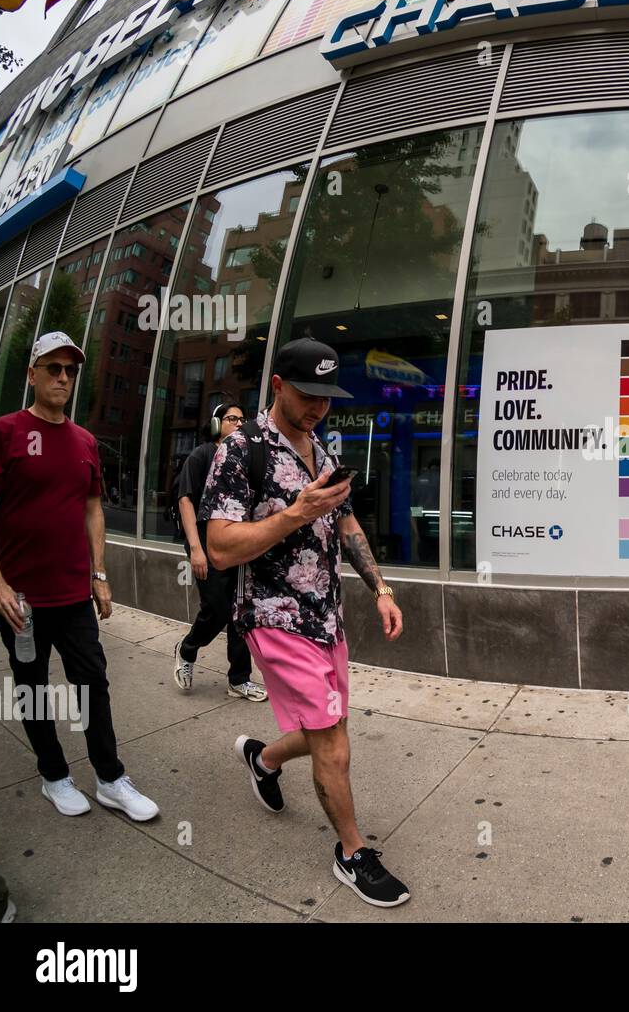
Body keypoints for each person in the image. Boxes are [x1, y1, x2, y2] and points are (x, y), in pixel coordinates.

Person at [200, 338, 408, 907]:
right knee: (333, 738)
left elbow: (346, 524)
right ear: (277, 386)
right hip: (272, 614)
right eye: (308, 394)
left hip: (325, 614)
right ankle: (351, 853)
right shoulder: (241, 450)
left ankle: (263, 760)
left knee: (327, 723)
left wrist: (381, 589)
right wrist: (295, 514)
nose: (319, 406)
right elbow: (219, 547)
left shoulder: (320, 447)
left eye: (327, 397)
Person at [0, 332, 159, 822]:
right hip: (19, 600)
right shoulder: (4, 432)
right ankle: (54, 776)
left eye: (70, 371)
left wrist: (99, 574)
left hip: (73, 594)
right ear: (32, 373)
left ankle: (110, 778)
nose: (63, 378)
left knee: (93, 682)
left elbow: (92, 509)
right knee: (33, 686)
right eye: (53, 368)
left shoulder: (84, 442)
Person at [172, 402, 267, 701]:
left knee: (239, 612)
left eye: (242, 419)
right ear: (216, 424)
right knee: (216, 608)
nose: (239, 423)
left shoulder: (244, 458)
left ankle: (239, 678)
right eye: (231, 419)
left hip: (238, 546)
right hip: (207, 544)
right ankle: (187, 649)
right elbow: (185, 501)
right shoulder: (202, 455)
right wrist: (196, 549)